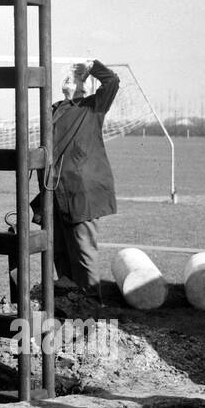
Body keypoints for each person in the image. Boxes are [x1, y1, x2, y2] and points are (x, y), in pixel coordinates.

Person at [47, 59, 119, 295]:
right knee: (60, 250)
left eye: (72, 78)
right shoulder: (54, 109)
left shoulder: (92, 107)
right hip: (56, 191)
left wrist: (93, 67)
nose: (66, 80)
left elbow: (112, 81)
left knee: (83, 251)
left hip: (81, 192)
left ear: (83, 87)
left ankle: (92, 307)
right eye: (65, 78)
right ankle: (70, 302)